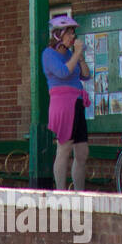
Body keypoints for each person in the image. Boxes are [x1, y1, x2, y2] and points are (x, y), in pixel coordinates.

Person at [41, 15, 90, 191]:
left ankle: (79, 192)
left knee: (82, 152)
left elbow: (86, 75)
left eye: (73, 34)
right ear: (58, 35)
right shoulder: (48, 54)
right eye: (69, 34)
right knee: (64, 147)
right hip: (62, 104)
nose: (72, 38)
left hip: (77, 102)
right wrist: (76, 53)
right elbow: (62, 72)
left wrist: (81, 57)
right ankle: (60, 192)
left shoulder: (72, 54)